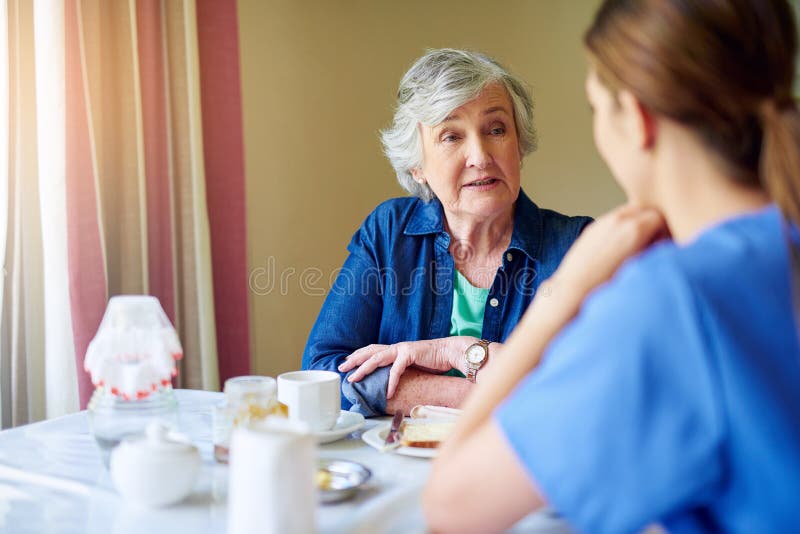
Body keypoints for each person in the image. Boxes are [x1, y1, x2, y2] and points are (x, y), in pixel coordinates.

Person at [423, 0, 800, 532]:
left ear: (637, 118)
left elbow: (450, 505)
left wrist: (566, 289)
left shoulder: (668, 300)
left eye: (597, 109)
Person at [302, 49, 592, 416]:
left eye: (496, 129)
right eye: (451, 136)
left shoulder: (578, 247)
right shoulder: (389, 232)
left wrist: (456, 353)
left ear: (519, 144)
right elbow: (321, 372)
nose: (481, 156)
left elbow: (588, 391)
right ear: (417, 167)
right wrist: (478, 390)